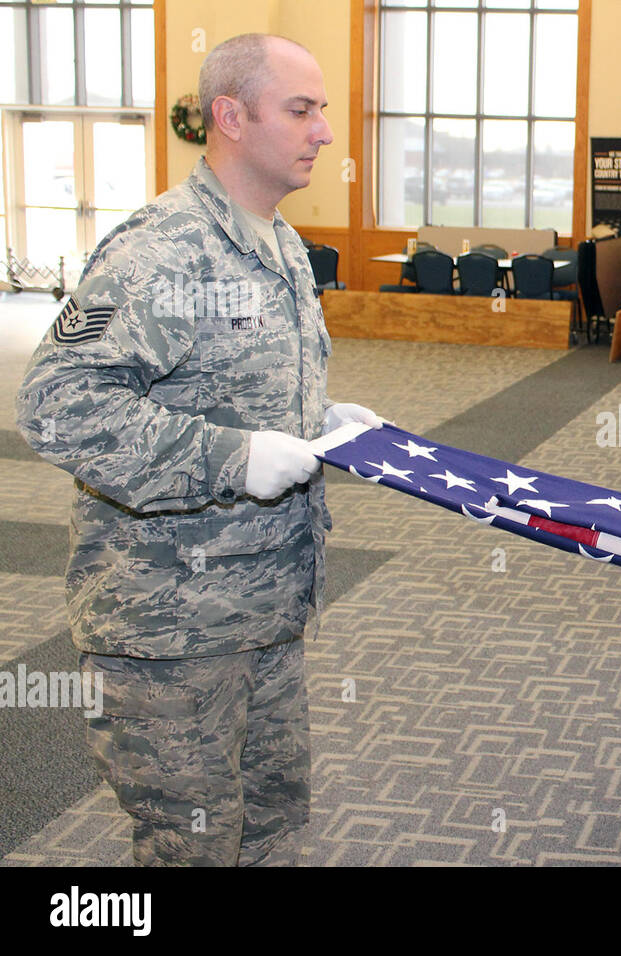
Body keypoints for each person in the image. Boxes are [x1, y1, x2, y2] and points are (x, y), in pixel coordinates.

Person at [15, 33, 383, 866]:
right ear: (231, 116)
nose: (324, 130)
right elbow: (56, 405)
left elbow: (229, 389)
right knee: (192, 844)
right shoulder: (162, 248)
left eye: (322, 108)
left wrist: (319, 420)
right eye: (301, 109)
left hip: (268, 612)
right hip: (171, 626)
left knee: (273, 825)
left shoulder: (280, 243)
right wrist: (231, 460)